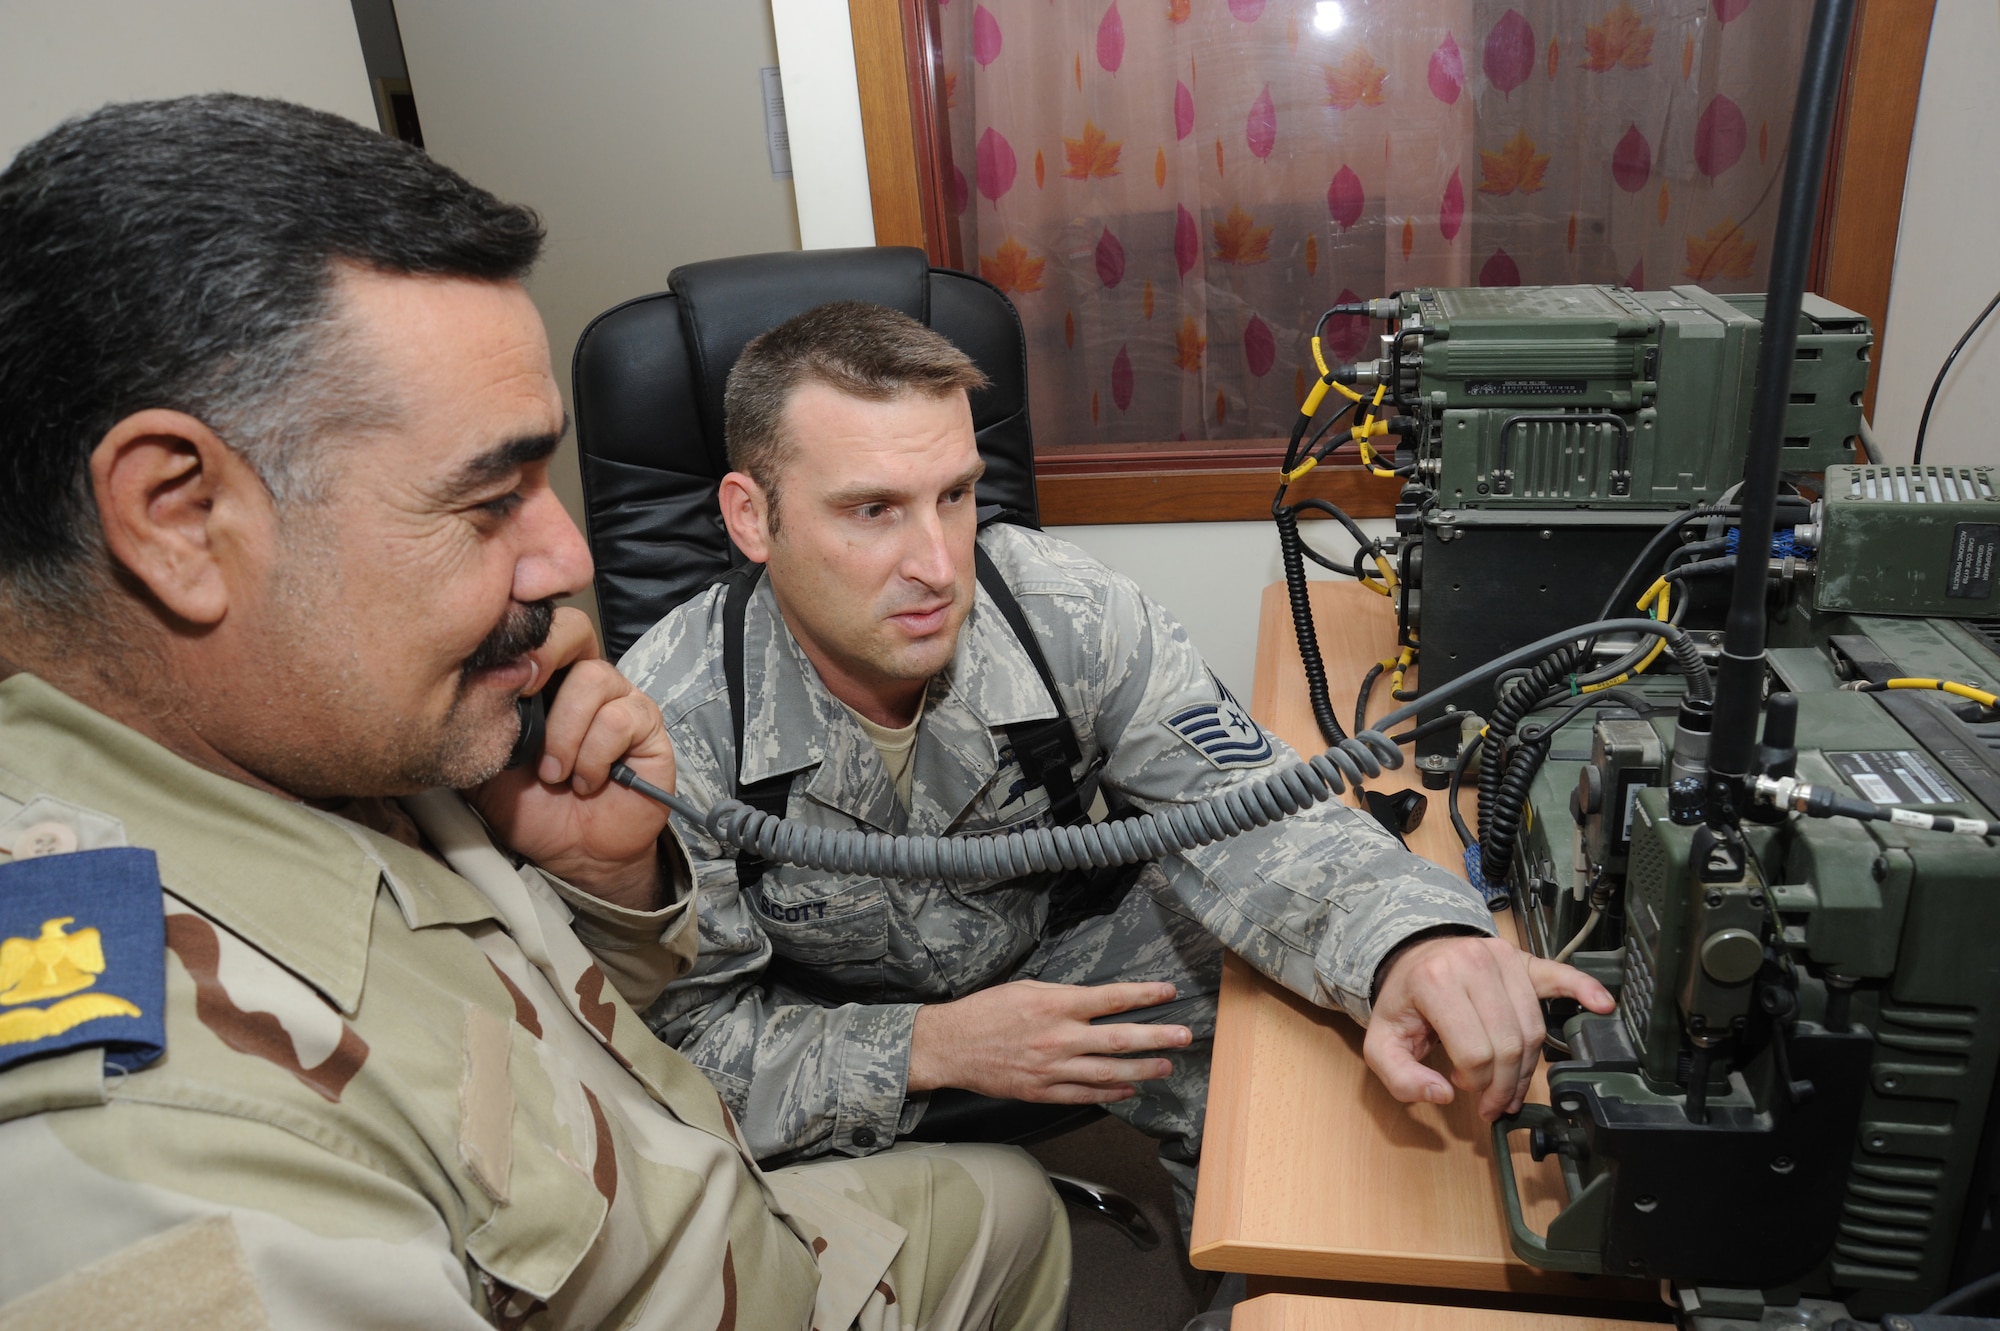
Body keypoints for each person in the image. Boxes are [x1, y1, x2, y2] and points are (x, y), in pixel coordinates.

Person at [0, 95, 1069, 1330]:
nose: (569, 558)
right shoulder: (156, 1139)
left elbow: (548, 1045)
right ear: (180, 516)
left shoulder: (341, 723)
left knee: (1017, 1210)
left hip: (718, 1215)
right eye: (487, 498)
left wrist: (606, 889)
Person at [618, 302, 1616, 1233]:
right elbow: (673, 1049)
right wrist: (933, 1045)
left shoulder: (1069, 614)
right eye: (872, 509)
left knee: (1282, 1022)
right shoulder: (665, 724)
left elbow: (1251, 811)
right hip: (820, 1027)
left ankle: (1245, 1283)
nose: (938, 565)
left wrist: (1414, 941)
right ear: (751, 517)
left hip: (1048, 954)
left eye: (955, 495)